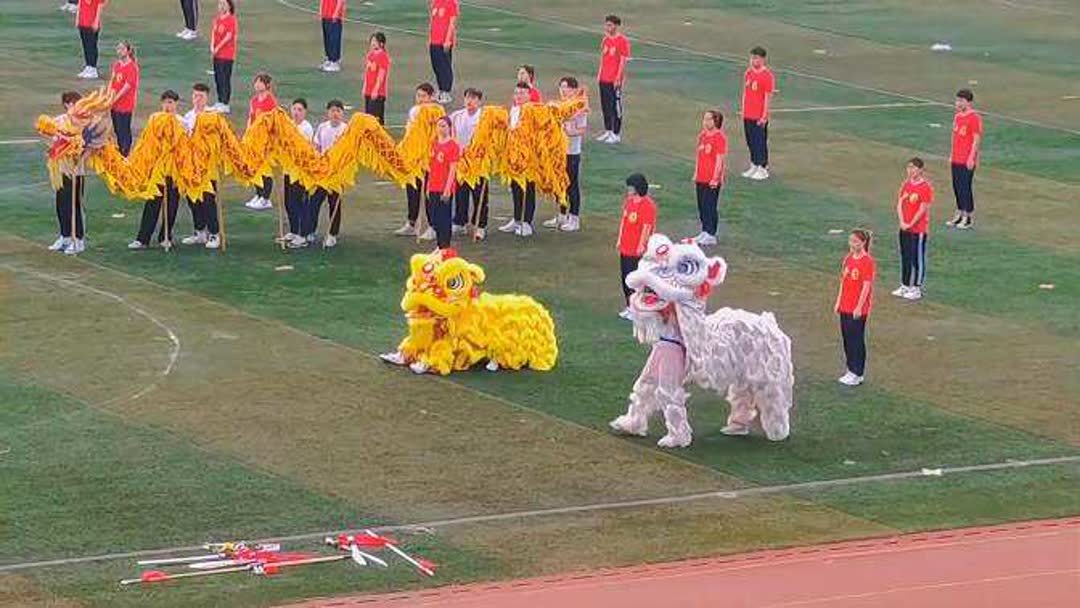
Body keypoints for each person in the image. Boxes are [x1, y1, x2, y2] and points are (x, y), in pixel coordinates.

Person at [129, 91, 183, 250]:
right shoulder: (154, 119)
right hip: (158, 169)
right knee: (152, 203)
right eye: (166, 102)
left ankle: (166, 236)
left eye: (171, 103)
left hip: (174, 170)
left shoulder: (181, 121)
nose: (168, 106)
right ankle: (142, 238)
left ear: (176, 104)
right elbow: (148, 141)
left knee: (172, 204)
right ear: (161, 104)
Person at [180, 82, 223, 250]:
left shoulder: (213, 115)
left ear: (207, 97)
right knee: (193, 200)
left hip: (208, 167)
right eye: (195, 96)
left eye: (201, 96)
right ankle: (199, 231)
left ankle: (214, 233)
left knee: (208, 200)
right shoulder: (188, 116)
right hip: (191, 165)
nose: (197, 99)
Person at [395, 83, 439, 236]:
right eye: (418, 96)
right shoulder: (413, 111)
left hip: (429, 158)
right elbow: (409, 133)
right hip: (413, 158)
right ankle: (411, 223)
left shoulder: (435, 111)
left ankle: (433, 225)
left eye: (423, 96)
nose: (420, 99)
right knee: (412, 190)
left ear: (431, 97)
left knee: (429, 192)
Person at [48, 91, 89, 255]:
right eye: (71, 103)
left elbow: (90, 143)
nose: (75, 106)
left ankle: (78, 239)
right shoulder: (58, 121)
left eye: (77, 103)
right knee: (61, 204)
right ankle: (64, 236)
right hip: (61, 169)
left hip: (76, 171)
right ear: (66, 105)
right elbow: (50, 139)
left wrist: (80, 154)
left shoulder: (84, 123)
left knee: (75, 205)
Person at [544, 76, 586, 232]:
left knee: (571, 184)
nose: (562, 90)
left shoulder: (579, 106)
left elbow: (582, 129)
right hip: (558, 152)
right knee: (559, 184)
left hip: (572, 152)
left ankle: (574, 217)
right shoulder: (558, 106)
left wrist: (571, 132)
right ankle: (561, 214)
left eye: (566, 87)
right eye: (561, 87)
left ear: (574, 89)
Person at [834, 229, 875, 386]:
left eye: (855, 242)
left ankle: (858, 372)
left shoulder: (867, 262)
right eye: (851, 241)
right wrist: (838, 301)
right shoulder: (848, 259)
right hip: (845, 304)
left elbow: (866, 286)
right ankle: (850, 369)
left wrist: (859, 307)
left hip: (857, 308)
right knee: (847, 338)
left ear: (863, 243)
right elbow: (843, 282)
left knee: (856, 339)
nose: (852, 244)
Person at [307, 100, 350, 248]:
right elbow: (316, 146)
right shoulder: (322, 127)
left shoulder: (346, 130)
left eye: (338, 111)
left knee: (334, 204)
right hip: (322, 172)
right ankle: (310, 230)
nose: (335, 114)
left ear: (342, 113)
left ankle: (332, 234)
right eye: (332, 111)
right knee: (314, 202)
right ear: (328, 113)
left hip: (337, 174)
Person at [499, 82, 538, 237]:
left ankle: (527, 221)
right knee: (515, 188)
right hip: (513, 156)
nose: (519, 96)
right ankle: (516, 218)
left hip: (529, 156)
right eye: (517, 93)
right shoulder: (513, 110)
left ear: (529, 95)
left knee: (528, 188)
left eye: (522, 93)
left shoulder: (533, 111)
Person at [449, 88, 488, 239]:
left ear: (479, 101)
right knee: (460, 193)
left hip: (478, 161)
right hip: (461, 160)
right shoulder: (457, 116)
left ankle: (480, 225)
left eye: (473, 99)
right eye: (467, 98)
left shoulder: (484, 117)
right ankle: (460, 221)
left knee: (479, 194)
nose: (469, 101)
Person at [893, 158, 934, 301]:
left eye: (914, 168)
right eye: (909, 168)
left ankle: (916, 288)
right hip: (904, 227)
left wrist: (910, 223)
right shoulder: (906, 185)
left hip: (918, 230)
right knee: (905, 256)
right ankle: (904, 285)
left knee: (917, 259)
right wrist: (902, 221)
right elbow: (899, 204)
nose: (910, 171)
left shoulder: (925, 187)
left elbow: (923, 209)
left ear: (920, 170)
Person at [617, 173, 656, 319]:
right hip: (626, 246)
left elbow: (647, 227)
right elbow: (624, 221)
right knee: (625, 277)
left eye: (631, 187)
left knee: (636, 279)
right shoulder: (629, 202)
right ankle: (629, 305)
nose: (629, 190)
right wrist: (620, 239)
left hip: (637, 249)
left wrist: (641, 245)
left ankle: (639, 308)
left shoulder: (648, 206)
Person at [947, 88, 982, 230]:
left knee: (965, 187)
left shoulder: (974, 118)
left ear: (968, 102)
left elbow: (976, 139)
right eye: (957, 100)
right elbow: (955, 138)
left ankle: (968, 216)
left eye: (961, 100)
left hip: (966, 159)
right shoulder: (958, 117)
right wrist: (951, 154)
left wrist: (971, 157)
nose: (958, 103)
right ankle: (959, 212)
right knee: (956, 186)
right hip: (956, 157)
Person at [244, 73, 279, 211]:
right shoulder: (254, 100)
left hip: (266, 141)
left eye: (260, 82)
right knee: (255, 167)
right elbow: (250, 117)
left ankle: (266, 197)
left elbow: (274, 122)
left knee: (266, 169)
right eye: (256, 82)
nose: (257, 85)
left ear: (267, 85)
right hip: (254, 139)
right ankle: (258, 194)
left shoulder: (271, 101)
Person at [283, 98, 315, 248]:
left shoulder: (306, 128)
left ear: (305, 112)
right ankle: (294, 230)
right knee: (289, 202)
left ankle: (303, 234)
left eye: (300, 110)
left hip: (301, 172)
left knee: (299, 203)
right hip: (288, 170)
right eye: (294, 109)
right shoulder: (288, 125)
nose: (296, 112)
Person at [692, 109, 727, 246]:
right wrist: (696, 172)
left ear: (715, 121)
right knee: (701, 205)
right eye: (704, 119)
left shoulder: (719, 138)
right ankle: (704, 231)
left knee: (710, 206)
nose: (705, 122)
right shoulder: (703, 136)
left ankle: (711, 233)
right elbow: (699, 157)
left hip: (711, 179)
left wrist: (715, 177)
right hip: (701, 177)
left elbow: (719, 159)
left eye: (708, 119)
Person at [426, 116, 461, 250]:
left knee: (444, 218)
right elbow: (431, 167)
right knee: (434, 217)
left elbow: (452, 169)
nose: (441, 129)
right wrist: (428, 186)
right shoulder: (434, 143)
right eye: (439, 126)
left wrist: (447, 189)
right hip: (433, 185)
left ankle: (445, 246)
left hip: (444, 187)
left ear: (449, 128)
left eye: (444, 126)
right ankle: (439, 244)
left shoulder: (453, 145)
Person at [741, 46, 775, 181]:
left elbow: (767, 97)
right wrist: (743, 109)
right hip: (747, 113)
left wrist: (764, 115)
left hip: (758, 115)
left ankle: (763, 167)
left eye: (755, 58)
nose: (752, 60)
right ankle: (754, 164)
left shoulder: (767, 76)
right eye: (751, 58)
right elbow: (746, 92)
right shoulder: (748, 73)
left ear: (762, 59)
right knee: (750, 141)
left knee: (760, 141)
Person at [596, 14, 630, 144]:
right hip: (603, 77)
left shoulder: (622, 41)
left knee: (615, 106)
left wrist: (618, 77)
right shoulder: (605, 40)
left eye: (610, 25)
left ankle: (616, 133)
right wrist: (599, 73)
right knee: (605, 105)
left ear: (616, 26)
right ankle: (608, 130)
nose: (607, 27)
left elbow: (622, 61)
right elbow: (603, 59)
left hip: (614, 79)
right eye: (606, 25)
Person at [108, 40, 139, 157]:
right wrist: (109, 94)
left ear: (128, 51)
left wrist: (115, 98)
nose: (119, 51)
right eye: (118, 49)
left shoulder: (132, 67)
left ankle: (125, 152)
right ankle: (121, 148)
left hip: (125, 104)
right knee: (116, 128)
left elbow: (127, 86)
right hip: (114, 103)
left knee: (124, 129)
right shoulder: (117, 65)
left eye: (122, 49)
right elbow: (113, 80)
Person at [428, 0, 458, 103]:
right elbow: (432, 21)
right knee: (436, 65)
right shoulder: (435, 2)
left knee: (444, 66)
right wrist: (430, 37)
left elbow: (452, 23)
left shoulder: (451, 3)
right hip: (434, 40)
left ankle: (446, 91)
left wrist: (448, 39)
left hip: (443, 40)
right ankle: (441, 90)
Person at [210, 0, 237, 113]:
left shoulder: (231, 20)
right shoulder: (217, 19)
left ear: (229, 6)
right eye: (220, 4)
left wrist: (218, 47)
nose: (221, 6)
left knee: (224, 78)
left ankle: (225, 103)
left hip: (226, 55)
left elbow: (228, 36)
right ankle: (220, 101)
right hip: (217, 54)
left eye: (224, 4)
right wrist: (212, 45)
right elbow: (213, 33)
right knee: (218, 78)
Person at [363, 32, 391, 124]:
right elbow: (367, 73)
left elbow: (381, 74)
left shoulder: (383, 56)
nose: (372, 43)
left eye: (375, 41)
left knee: (376, 116)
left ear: (381, 44)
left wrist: (376, 89)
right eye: (372, 41)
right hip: (368, 89)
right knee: (368, 115)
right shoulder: (370, 55)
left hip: (378, 92)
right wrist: (365, 87)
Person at [76, 0, 107, 80]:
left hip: (91, 21)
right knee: (85, 45)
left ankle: (93, 68)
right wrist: (77, 18)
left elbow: (99, 6)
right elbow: (80, 4)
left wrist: (96, 21)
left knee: (91, 45)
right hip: (83, 21)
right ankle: (88, 66)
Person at [320, 0, 346, 72]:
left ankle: (335, 61)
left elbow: (341, 1)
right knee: (327, 38)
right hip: (325, 14)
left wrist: (336, 13)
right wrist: (321, 10)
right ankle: (329, 59)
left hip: (334, 16)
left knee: (334, 38)